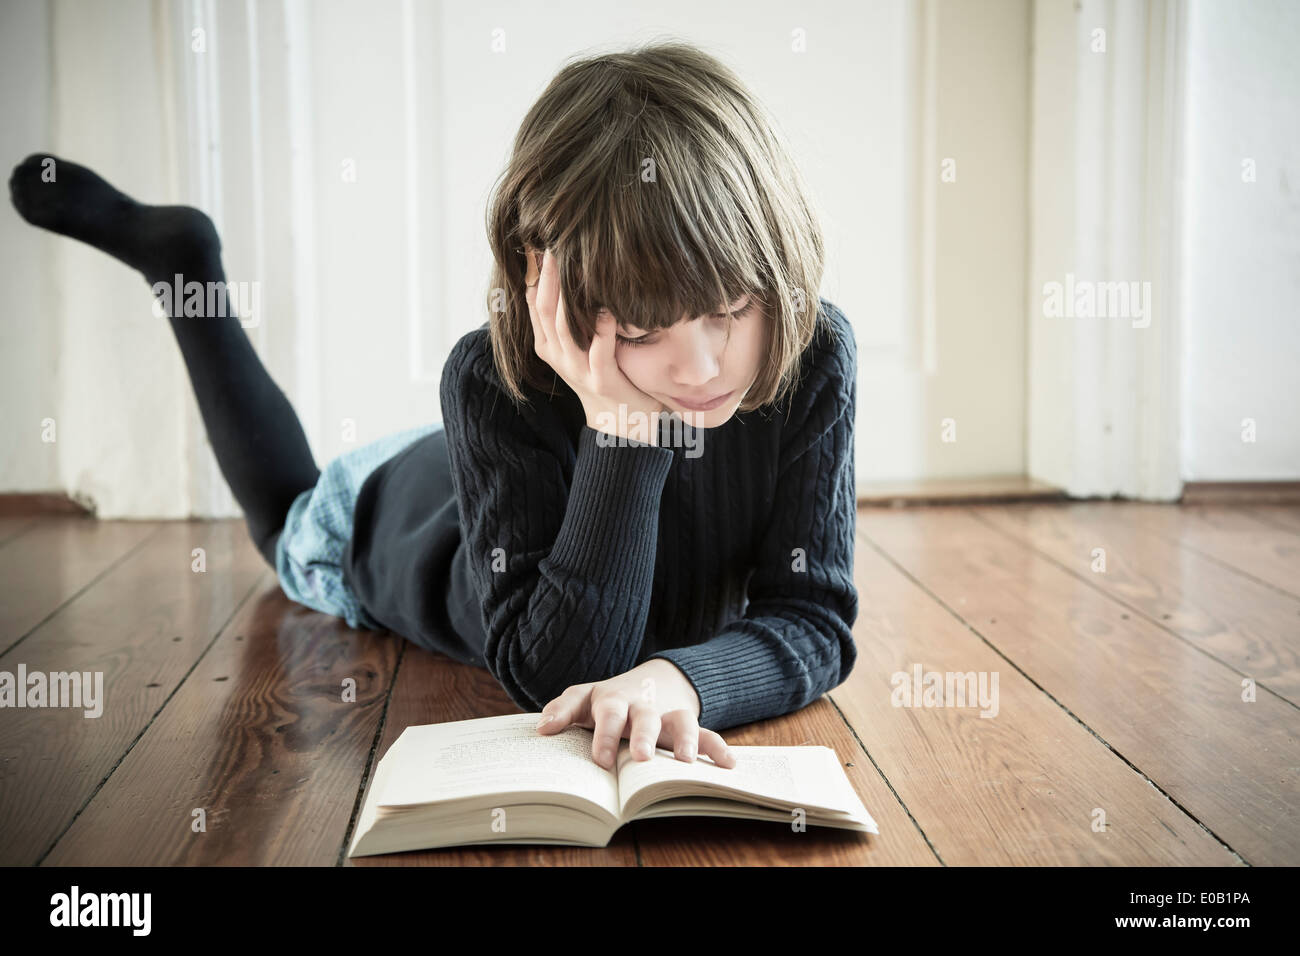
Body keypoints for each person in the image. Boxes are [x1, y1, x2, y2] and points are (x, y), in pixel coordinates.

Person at [8, 39, 858, 775]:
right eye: (641, 330)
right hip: (397, 508)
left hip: (502, 469)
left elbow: (814, 616)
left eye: (730, 312)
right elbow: (558, 671)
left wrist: (683, 678)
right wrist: (625, 429)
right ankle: (185, 267)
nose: (702, 367)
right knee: (284, 518)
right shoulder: (491, 382)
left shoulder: (813, 354)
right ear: (545, 287)